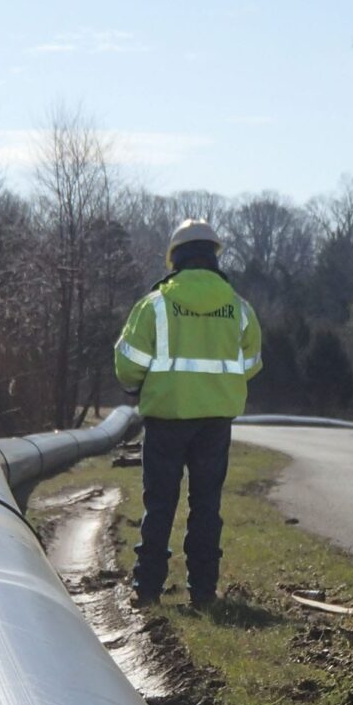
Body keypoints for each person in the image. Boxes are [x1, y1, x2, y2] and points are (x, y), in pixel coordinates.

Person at [114, 219, 262, 608]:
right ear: (214, 257)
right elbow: (251, 363)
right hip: (215, 422)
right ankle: (204, 592)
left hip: (165, 418)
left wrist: (144, 384)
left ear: (174, 258)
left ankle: (148, 589)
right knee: (207, 505)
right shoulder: (239, 308)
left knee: (160, 504)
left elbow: (128, 365)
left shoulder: (155, 305)